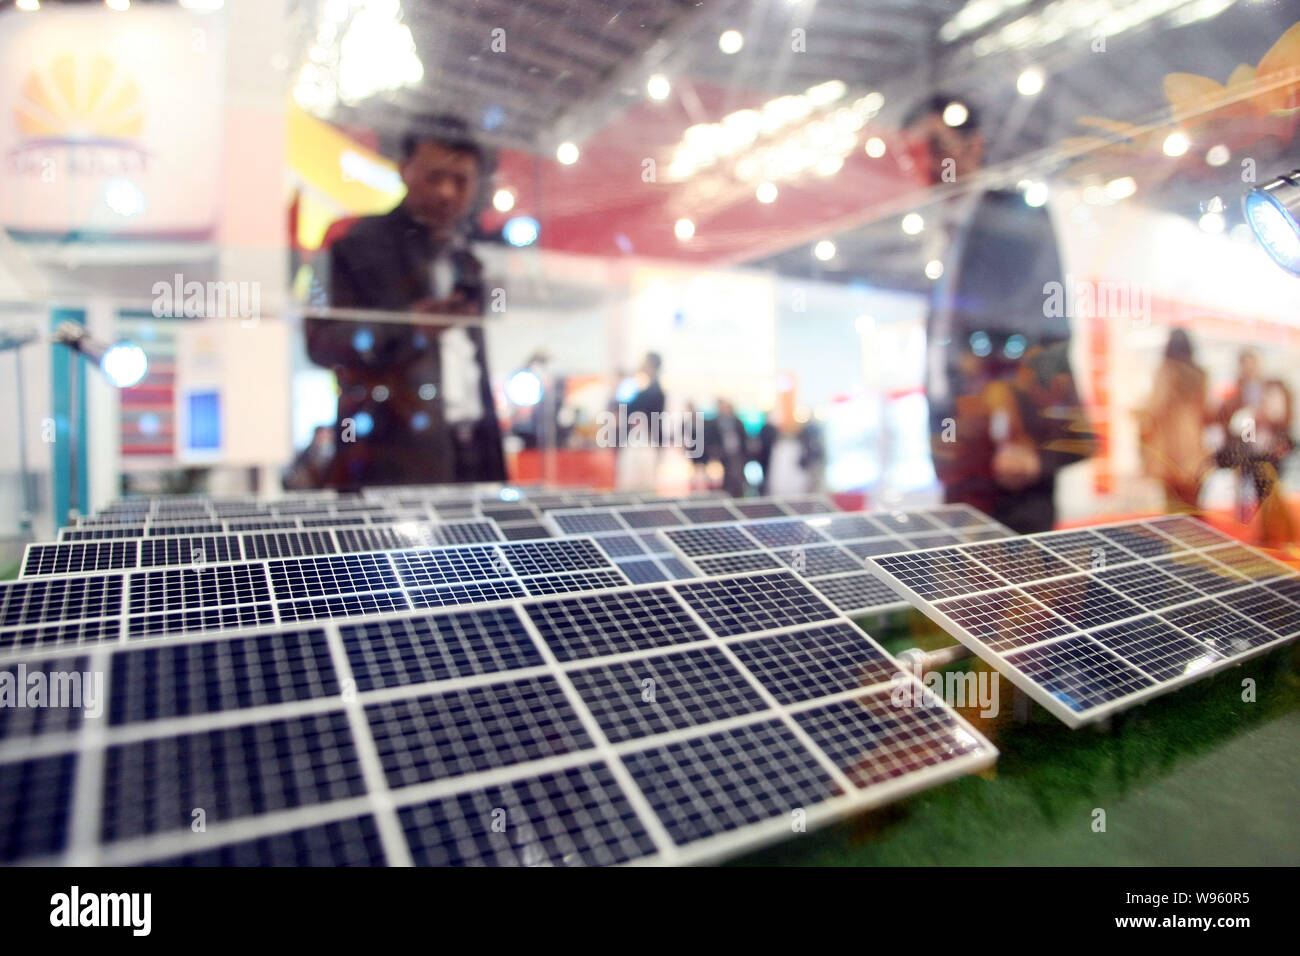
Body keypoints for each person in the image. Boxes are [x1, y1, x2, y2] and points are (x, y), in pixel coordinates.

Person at [905, 93, 1094, 533]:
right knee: (967, 590)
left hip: (1010, 456)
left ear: (974, 147)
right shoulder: (946, 239)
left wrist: (1017, 433)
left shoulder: (1010, 217)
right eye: (916, 152)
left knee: (1020, 591)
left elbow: (1041, 328)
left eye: (935, 145)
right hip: (963, 451)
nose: (926, 162)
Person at [306, 116, 505, 489]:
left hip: (472, 456)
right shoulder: (353, 244)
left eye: (460, 180)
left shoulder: (468, 262)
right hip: (390, 464)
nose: (447, 192)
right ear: (404, 170)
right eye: (435, 177)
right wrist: (407, 326)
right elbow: (319, 342)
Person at [1216, 348, 1295, 534]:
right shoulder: (1234, 391)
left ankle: (1270, 528)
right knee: (1245, 490)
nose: (1250, 368)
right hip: (1244, 447)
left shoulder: (1271, 387)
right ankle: (1246, 525)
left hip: (1266, 448)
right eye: (1246, 364)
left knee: (1267, 489)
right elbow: (1226, 418)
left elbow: (1281, 416)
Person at [1136, 329, 1210, 514]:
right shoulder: (1199, 374)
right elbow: (1207, 410)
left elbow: (1156, 407)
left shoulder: (1166, 371)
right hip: (1194, 443)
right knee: (1193, 502)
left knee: (1173, 506)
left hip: (1171, 444)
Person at [283, 425, 335, 490]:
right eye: (322, 435)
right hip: (309, 488)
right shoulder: (306, 453)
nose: (324, 438)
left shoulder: (332, 452)